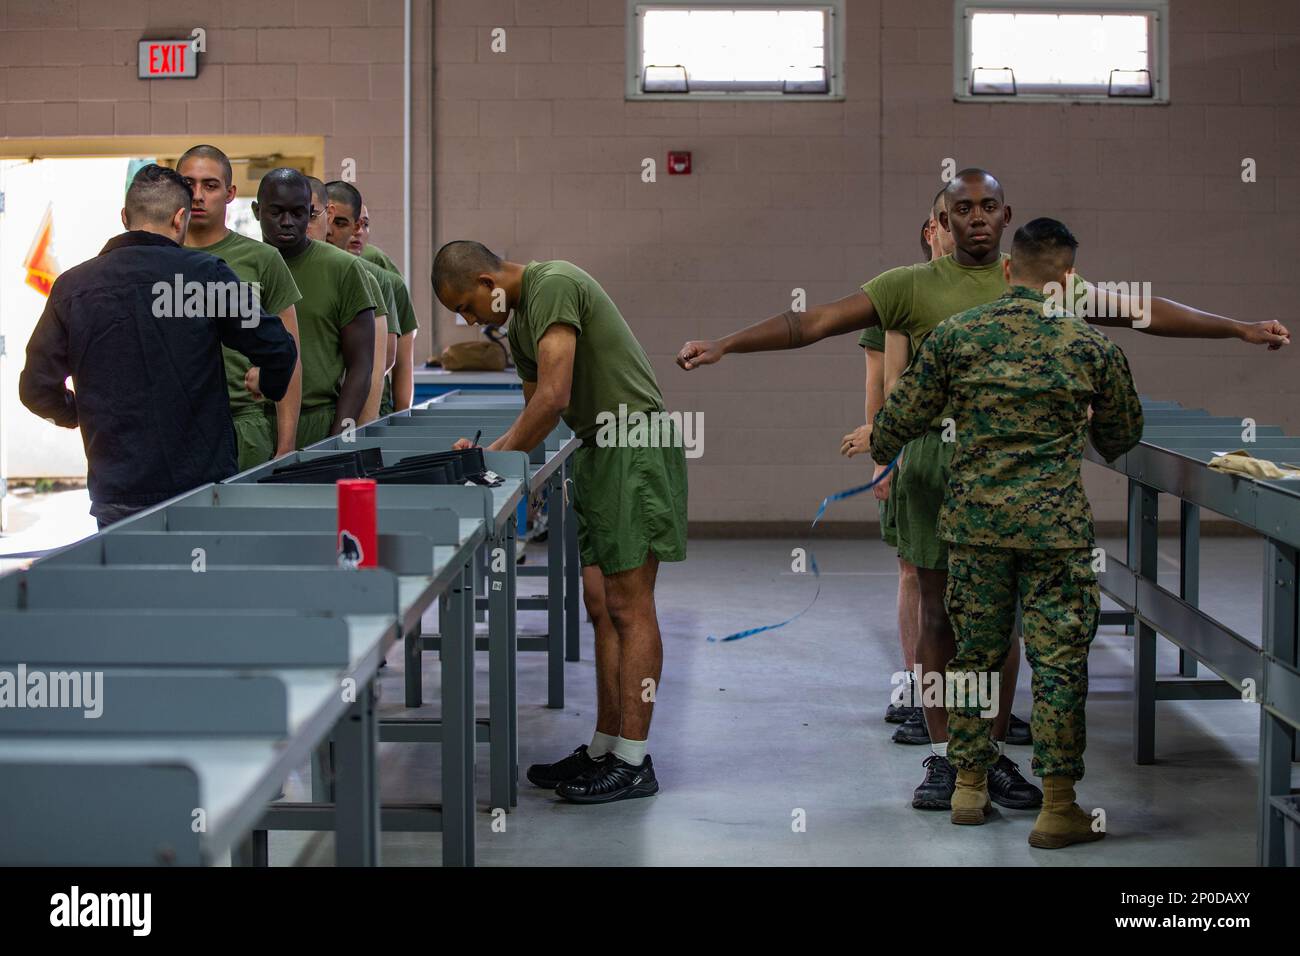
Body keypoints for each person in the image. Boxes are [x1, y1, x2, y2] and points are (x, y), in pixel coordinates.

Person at [676, 168, 1289, 812]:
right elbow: (816, 321)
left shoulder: (1044, 285)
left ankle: (987, 759)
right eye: (962, 208)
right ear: (941, 222)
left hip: (1006, 488)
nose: (975, 217)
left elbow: (1143, 312)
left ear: (1005, 217)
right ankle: (947, 758)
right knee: (942, 622)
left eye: (988, 206)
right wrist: (725, 345)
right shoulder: (909, 286)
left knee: (1001, 633)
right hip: (933, 480)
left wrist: (1238, 327)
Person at [870, 217, 1144, 847]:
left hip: (975, 527)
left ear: (1005, 270)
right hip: (1055, 534)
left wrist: (880, 441)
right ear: (1069, 279)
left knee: (973, 656)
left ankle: (968, 788)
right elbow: (1121, 436)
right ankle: (1057, 806)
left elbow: (899, 418)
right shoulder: (1092, 346)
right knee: (1058, 664)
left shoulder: (958, 335)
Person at [433, 241, 687, 803]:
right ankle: (605, 745)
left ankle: (633, 759)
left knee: (630, 604)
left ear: (485, 278)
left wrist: (492, 460)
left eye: (468, 306)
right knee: (601, 606)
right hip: (598, 448)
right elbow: (535, 416)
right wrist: (489, 456)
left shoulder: (555, 284)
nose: (471, 321)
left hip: (633, 443)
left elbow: (554, 396)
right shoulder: (524, 324)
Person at [19, 164, 297, 528]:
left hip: (117, 492)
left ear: (124, 217)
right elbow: (280, 348)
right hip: (200, 489)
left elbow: (35, 389)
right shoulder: (206, 277)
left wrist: (77, 413)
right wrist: (267, 384)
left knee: (129, 585)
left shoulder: (73, 288)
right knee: (200, 584)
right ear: (180, 219)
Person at [178, 144, 303, 469]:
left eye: (210, 185)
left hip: (245, 423)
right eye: (188, 184)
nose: (198, 195)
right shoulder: (157, 260)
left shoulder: (262, 259)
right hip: (177, 421)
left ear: (231, 192)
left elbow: (292, 355)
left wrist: (286, 445)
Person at [252, 169, 376, 447]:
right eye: (276, 212)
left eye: (299, 213)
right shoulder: (239, 266)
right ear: (257, 211)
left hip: (318, 421)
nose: (287, 222)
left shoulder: (343, 269)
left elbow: (361, 366)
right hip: (249, 420)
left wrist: (338, 440)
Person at [323, 182, 405, 419]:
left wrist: (365, 427)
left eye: (341, 223)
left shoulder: (378, 277)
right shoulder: (284, 268)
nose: (329, 230)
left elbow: (387, 361)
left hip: (360, 405)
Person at [353, 205, 419, 413]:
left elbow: (399, 359)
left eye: (364, 224)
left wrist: (401, 418)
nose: (357, 231)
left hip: (372, 404)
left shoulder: (376, 266)